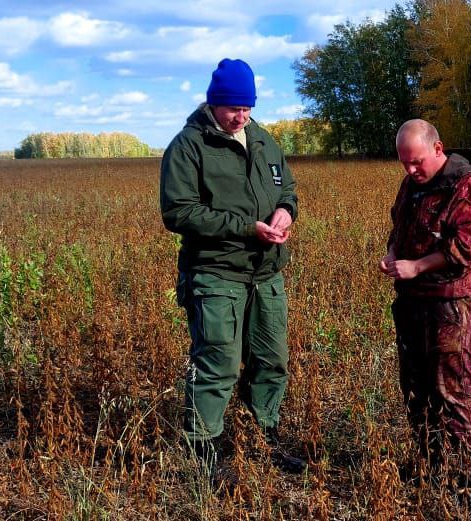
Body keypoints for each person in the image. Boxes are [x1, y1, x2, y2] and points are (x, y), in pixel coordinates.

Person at [160, 58, 305, 478]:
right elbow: (178, 212)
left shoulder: (263, 140)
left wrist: (285, 214)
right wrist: (246, 228)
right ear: (213, 102)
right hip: (215, 273)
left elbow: (288, 189)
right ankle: (204, 453)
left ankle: (266, 439)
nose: (240, 116)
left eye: (247, 107)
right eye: (232, 108)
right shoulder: (188, 146)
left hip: (266, 273)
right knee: (218, 362)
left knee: (270, 359)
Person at [379, 119, 471, 510]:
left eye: (417, 162)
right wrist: (394, 255)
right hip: (410, 303)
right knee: (416, 390)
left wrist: (418, 266)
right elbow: (398, 227)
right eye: (404, 163)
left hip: (446, 304)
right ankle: (432, 464)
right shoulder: (412, 184)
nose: (411, 171)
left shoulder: (467, 186)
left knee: (455, 393)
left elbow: (468, 250)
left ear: (438, 148)